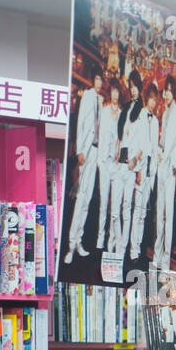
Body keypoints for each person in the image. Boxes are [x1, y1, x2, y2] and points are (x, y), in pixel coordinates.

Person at [64, 71, 103, 264]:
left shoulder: (101, 100)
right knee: (80, 198)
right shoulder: (87, 96)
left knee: (87, 200)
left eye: (101, 80)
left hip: (96, 152)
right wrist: (80, 149)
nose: (99, 82)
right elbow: (80, 123)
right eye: (97, 78)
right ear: (93, 80)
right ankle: (70, 246)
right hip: (85, 151)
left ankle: (79, 242)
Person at [109, 70, 144, 256]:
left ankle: (121, 250)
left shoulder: (143, 111)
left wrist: (135, 161)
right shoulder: (126, 108)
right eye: (131, 86)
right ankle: (117, 243)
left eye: (135, 86)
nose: (133, 90)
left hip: (130, 166)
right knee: (114, 210)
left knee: (126, 209)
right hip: (119, 163)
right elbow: (120, 136)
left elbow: (143, 143)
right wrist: (116, 151)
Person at [128, 84, 161, 262]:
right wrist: (139, 169)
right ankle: (133, 249)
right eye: (151, 98)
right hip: (142, 167)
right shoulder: (140, 116)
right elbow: (138, 145)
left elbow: (154, 148)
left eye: (156, 100)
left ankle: (139, 247)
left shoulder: (155, 121)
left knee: (144, 213)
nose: (153, 102)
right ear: (146, 98)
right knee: (137, 210)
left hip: (151, 169)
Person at [153, 74, 176, 268]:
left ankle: (165, 257)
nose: (167, 94)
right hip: (161, 164)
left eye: (170, 91)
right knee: (159, 212)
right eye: (166, 91)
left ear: (174, 93)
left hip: (170, 168)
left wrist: (173, 165)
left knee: (168, 214)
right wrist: (158, 151)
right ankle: (156, 255)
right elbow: (163, 142)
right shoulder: (163, 113)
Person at [94, 81, 121, 254]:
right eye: (113, 91)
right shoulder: (104, 112)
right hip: (104, 162)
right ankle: (100, 238)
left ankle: (111, 240)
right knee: (103, 204)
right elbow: (99, 134)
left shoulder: (121, 114)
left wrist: (119, 154)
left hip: (116, 164)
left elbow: (121, 138)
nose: (115, 95)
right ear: (110, 93)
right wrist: (99, 160)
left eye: (117, 92)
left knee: (114, 206)